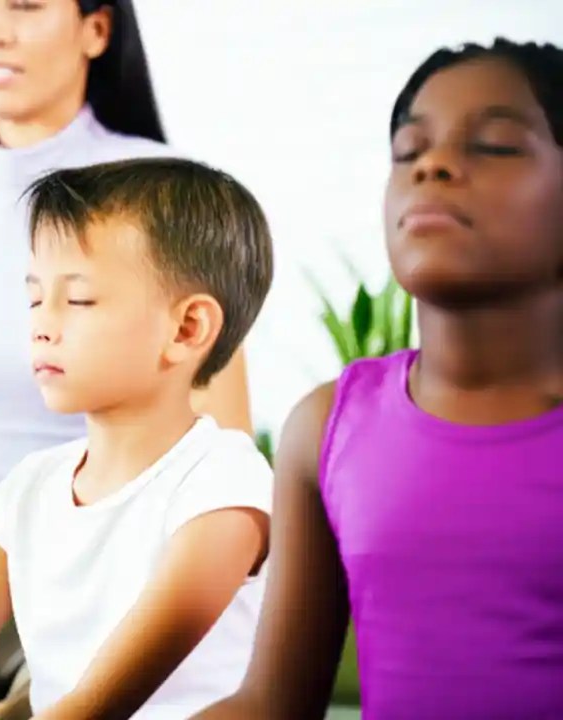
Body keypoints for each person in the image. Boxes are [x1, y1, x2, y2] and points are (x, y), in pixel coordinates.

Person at [0, 5, 257, 707]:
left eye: (25, 4)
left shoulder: (165, 188)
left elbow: (219, 446)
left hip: (117, 602)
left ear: (97, 29)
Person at [196, 39, 563, 719]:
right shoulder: (327, 429)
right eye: (408, 152)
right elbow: (273, 703)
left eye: (496, 145)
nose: (434, 166)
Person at [0, 157, 275, 720]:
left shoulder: (224, 481)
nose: (41, 324)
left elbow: (92, 708)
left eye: (77, 300)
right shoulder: (27, 490)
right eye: (34, 297)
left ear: (187, 329)